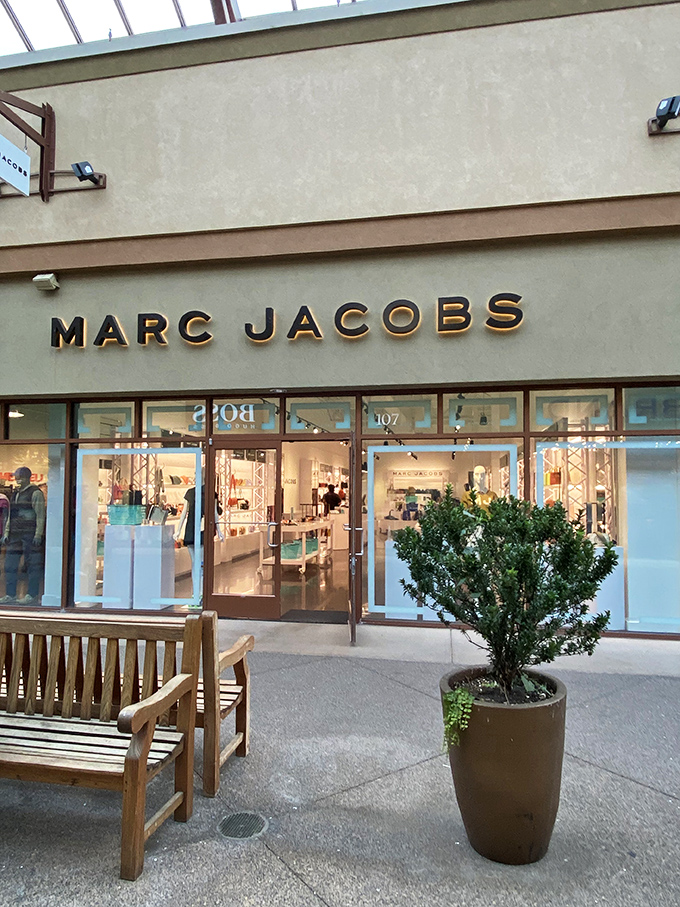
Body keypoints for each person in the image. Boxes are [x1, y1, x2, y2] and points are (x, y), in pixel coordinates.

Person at [1, 466, 45, 604]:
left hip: (29, 534)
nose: (18, 480)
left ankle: (32, 594)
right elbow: (10, 516)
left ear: (27, 477)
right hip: (15, 534)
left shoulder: (35, 493)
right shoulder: (15, 493)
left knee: (32, 565)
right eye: (17, 477)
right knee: (10, 565)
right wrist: (7, 532)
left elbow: (40, 515)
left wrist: (38, 534)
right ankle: (10, 594)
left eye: (20, 477)